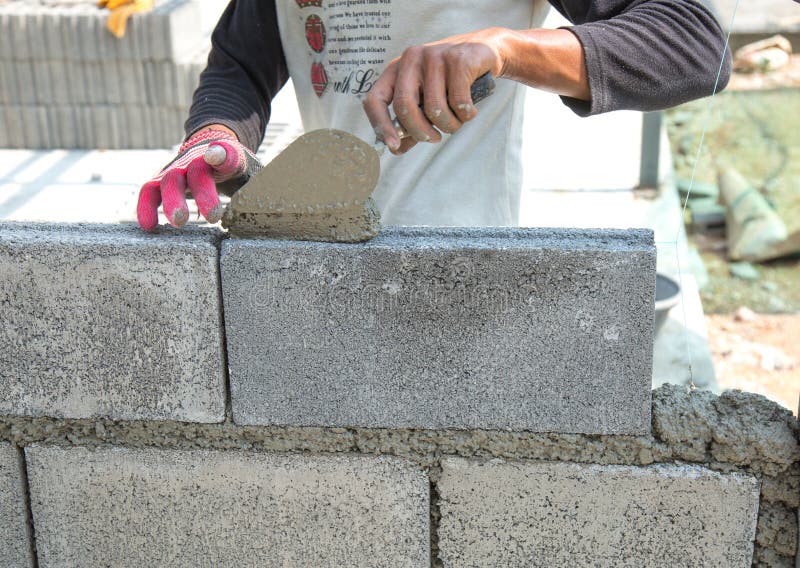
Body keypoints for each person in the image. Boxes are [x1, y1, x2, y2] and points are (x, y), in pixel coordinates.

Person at [137, 0, 730, 231]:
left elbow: (694, 43)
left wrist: (507, 48)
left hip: (457, 266)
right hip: (323, 247)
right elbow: (241, 62)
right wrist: (215, 136)